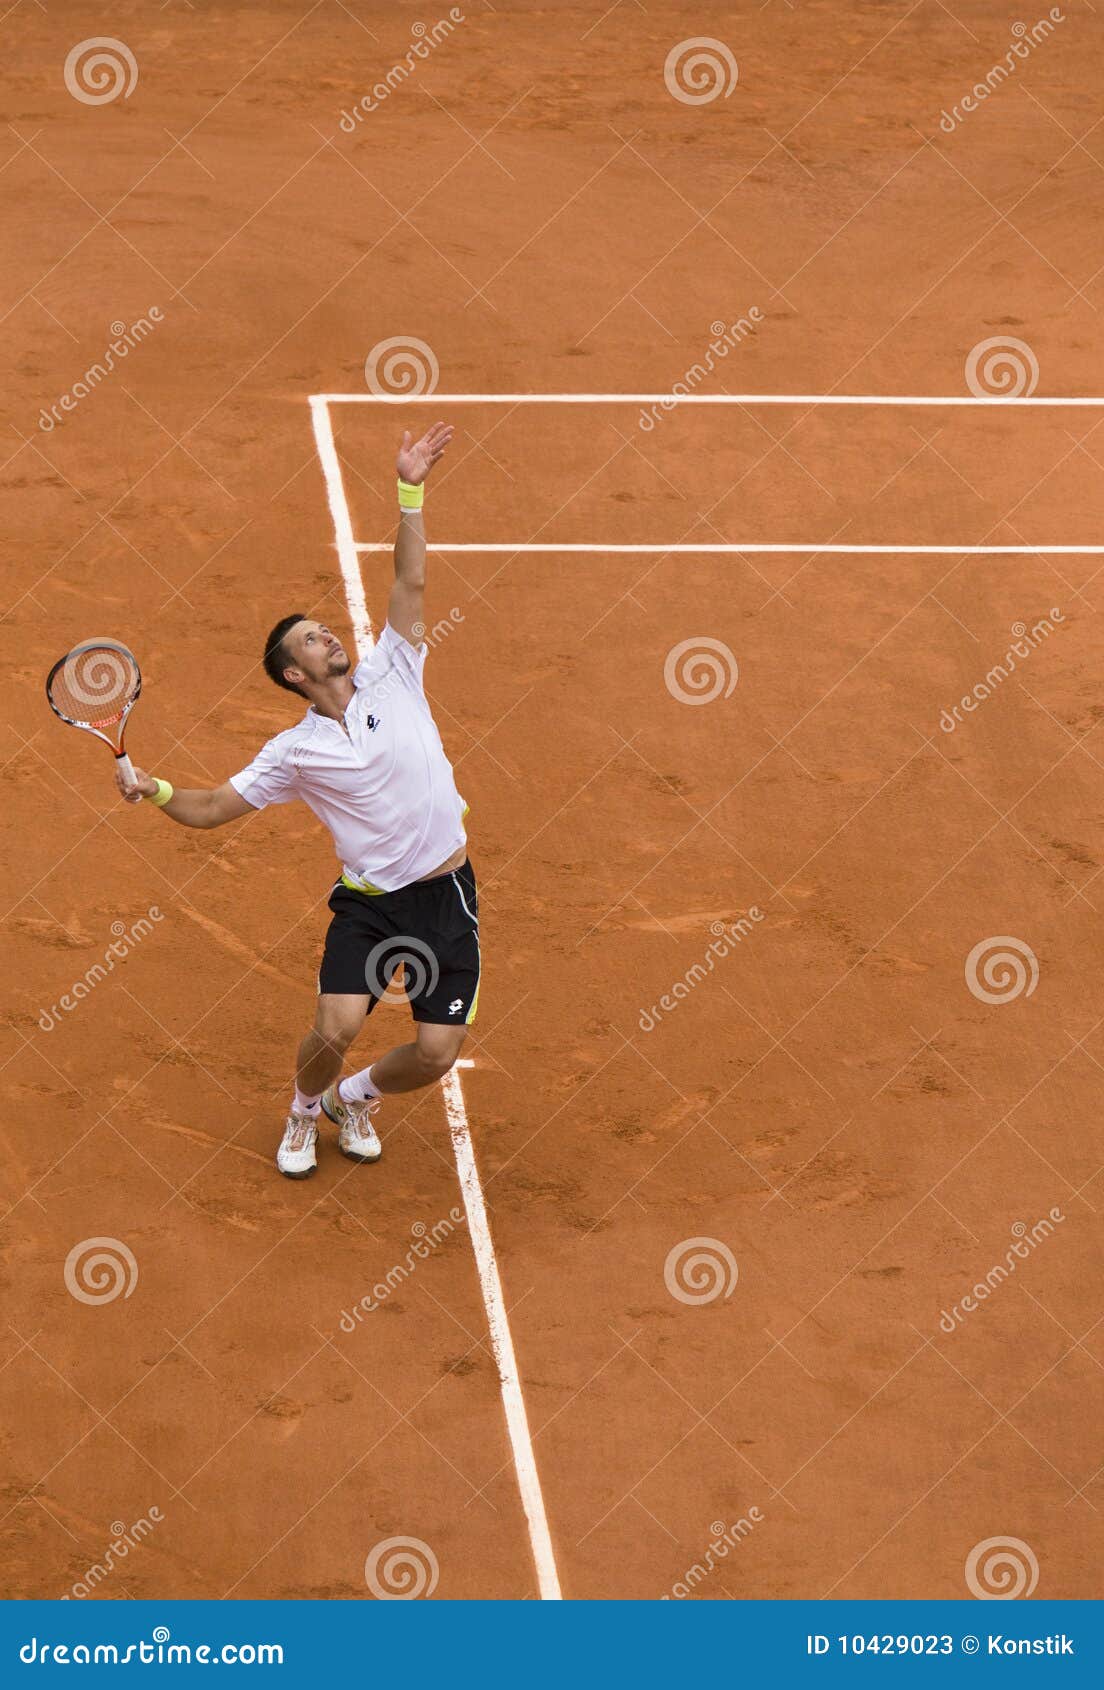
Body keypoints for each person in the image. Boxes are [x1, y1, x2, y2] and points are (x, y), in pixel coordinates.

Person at [117, 422, 478, 1179]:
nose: (329, 639)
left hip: (448, 894)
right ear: (293, 674)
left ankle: (355, 1097)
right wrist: (154, 790)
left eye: (324, 632)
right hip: (374, 904)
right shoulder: (294, 752)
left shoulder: (394, 669)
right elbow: (214, 808)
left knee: (437, 1054)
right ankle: (304, 1109)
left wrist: (411, 486)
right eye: (312, 640)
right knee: (334, 1025)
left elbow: (409, 584)